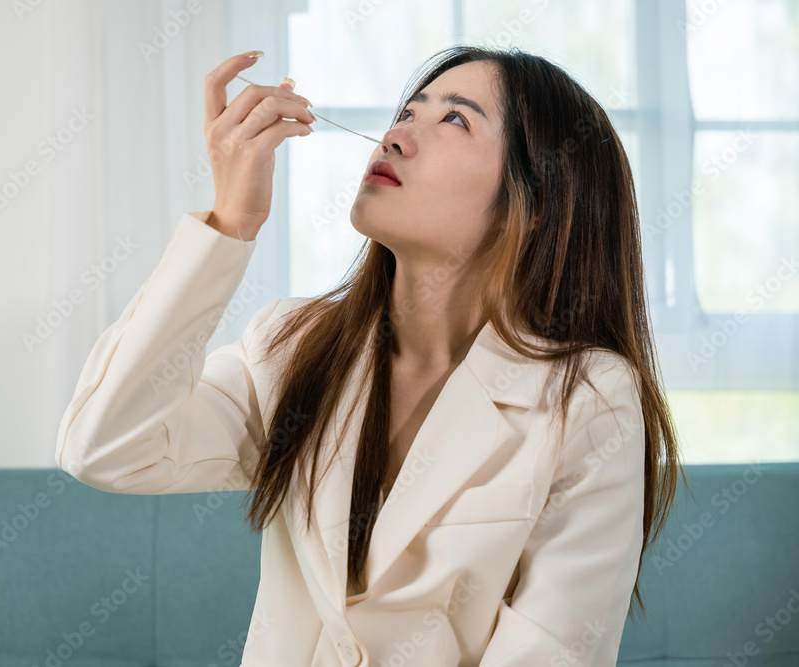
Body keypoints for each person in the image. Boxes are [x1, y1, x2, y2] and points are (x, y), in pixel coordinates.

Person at [56, 45, 684, 667]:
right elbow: (106, 447)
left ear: (538, 200)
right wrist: (228, 223)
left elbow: (551, 653)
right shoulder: (290, 344)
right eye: (408, 113)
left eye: (455, 119)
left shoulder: (589, 399)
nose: (396, 138)